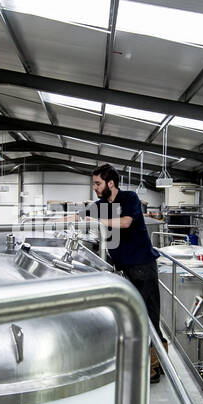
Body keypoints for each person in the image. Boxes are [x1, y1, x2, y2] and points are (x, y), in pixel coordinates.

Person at [76, 164, 169, 383]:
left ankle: (154, 367)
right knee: (136, 315)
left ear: (111, 183)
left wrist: (96, 221)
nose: (95, 188)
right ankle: (154, 363)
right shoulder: (99, 205)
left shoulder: (130, 198)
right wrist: (43, 224)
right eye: (94, 184)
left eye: (98, 183)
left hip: (143, 267)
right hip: (125, 269)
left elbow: (126, 222)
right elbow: (78, 219)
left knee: (147, 316)